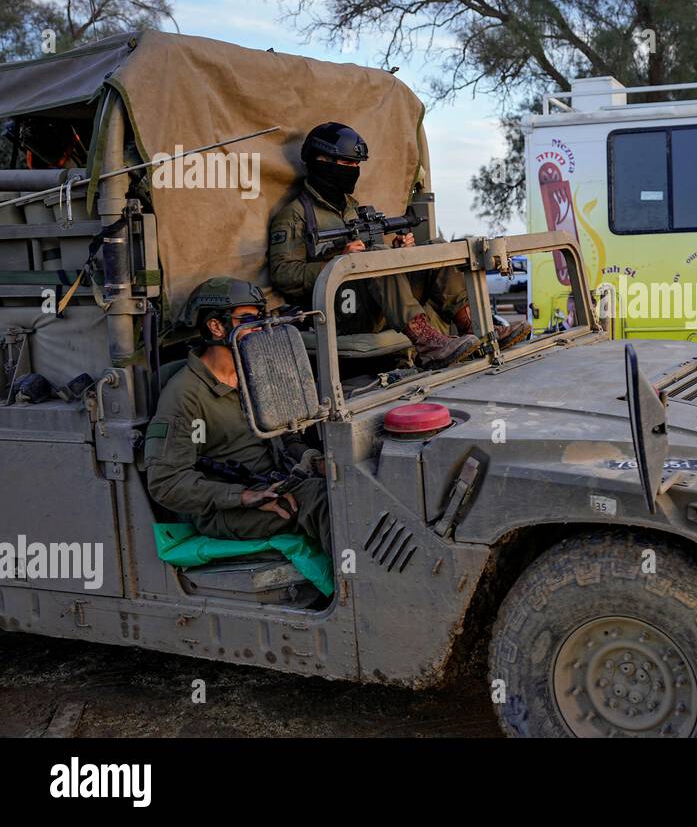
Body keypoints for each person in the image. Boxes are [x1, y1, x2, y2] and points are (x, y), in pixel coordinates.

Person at [269, 122, 528, 368]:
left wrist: (399, 253)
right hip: (337, 311)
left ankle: (476, 328)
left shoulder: (353, 209)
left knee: (434, 248)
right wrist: (339, 261)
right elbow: (283, 275)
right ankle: (426, 344)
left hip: (373, 304)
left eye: (356, 164)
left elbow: (374, 261)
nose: (353, 169)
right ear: (322, 161)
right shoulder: (295, 215)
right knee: (377, 258)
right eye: (347, 162)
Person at [144, 278, 333, 561]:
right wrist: (243, 497)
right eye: (246, 320)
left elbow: (286, 433)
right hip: (229, 510)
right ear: (216, 327)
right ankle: (359, 589)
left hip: (279, 482)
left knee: (346, 482)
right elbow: (167, 483)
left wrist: (313, 460)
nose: (257, 328)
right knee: (326, 502)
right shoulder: (185, 395)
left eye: (259, 319)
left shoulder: (255, 371)